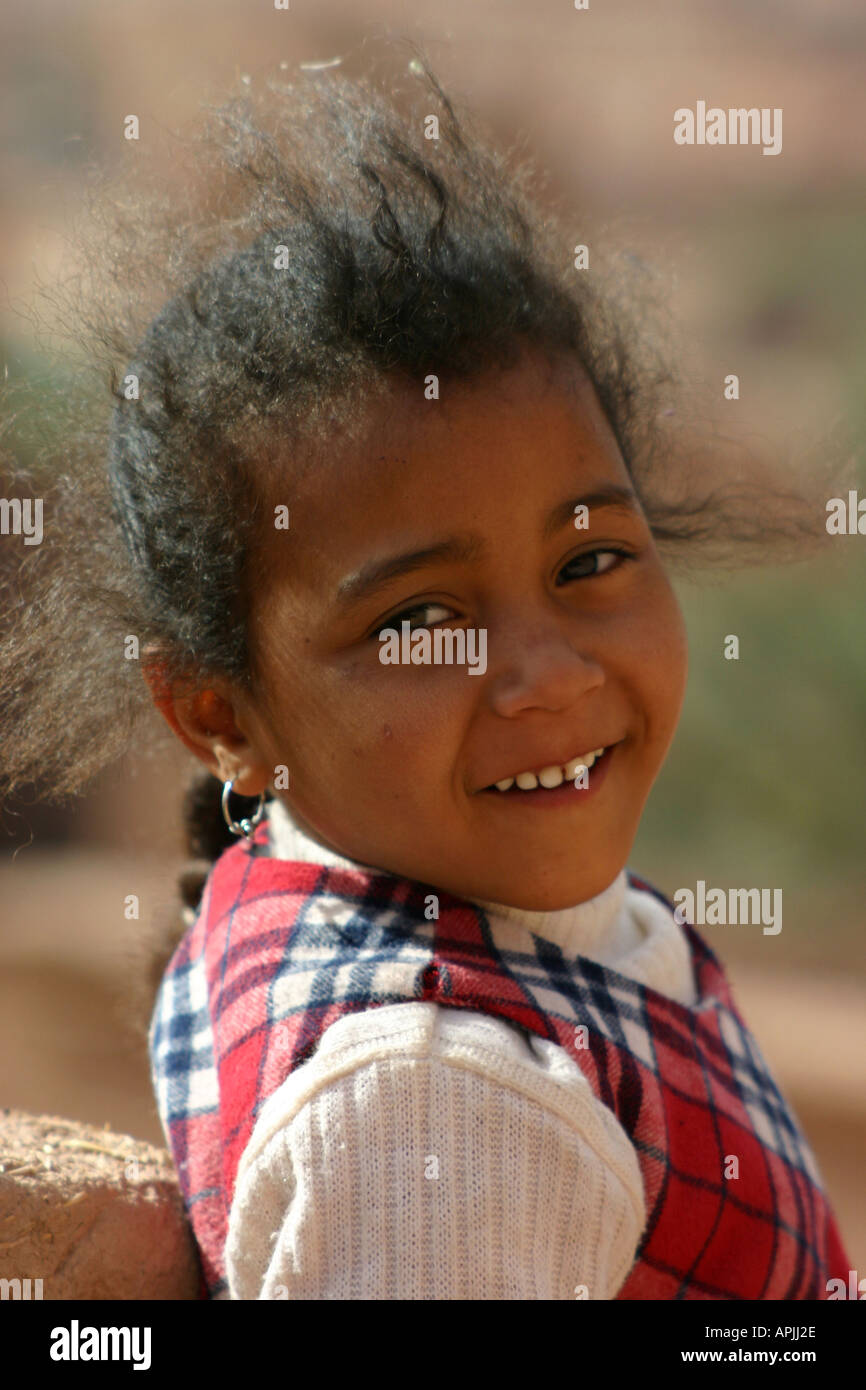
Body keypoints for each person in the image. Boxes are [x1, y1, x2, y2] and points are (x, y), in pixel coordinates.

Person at [0, 51, 851, 1300]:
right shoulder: (438, 1112)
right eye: (418, 622)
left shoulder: (460, 934)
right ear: (219, 716)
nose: (546, 675)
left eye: (591, 558)